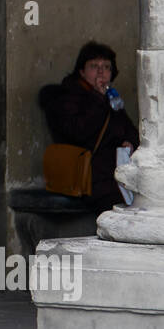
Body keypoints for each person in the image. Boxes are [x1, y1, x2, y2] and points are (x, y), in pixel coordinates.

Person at [39, 42, 139, 215]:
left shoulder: (112, 100)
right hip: (88, 179)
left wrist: (128, 142)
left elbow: (131, 131)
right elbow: (77, 132)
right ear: (82, 72)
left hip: (114, 177)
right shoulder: (68, 97)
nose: (101, 72)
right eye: (94, 66)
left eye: (106, 67)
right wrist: (98, 100)